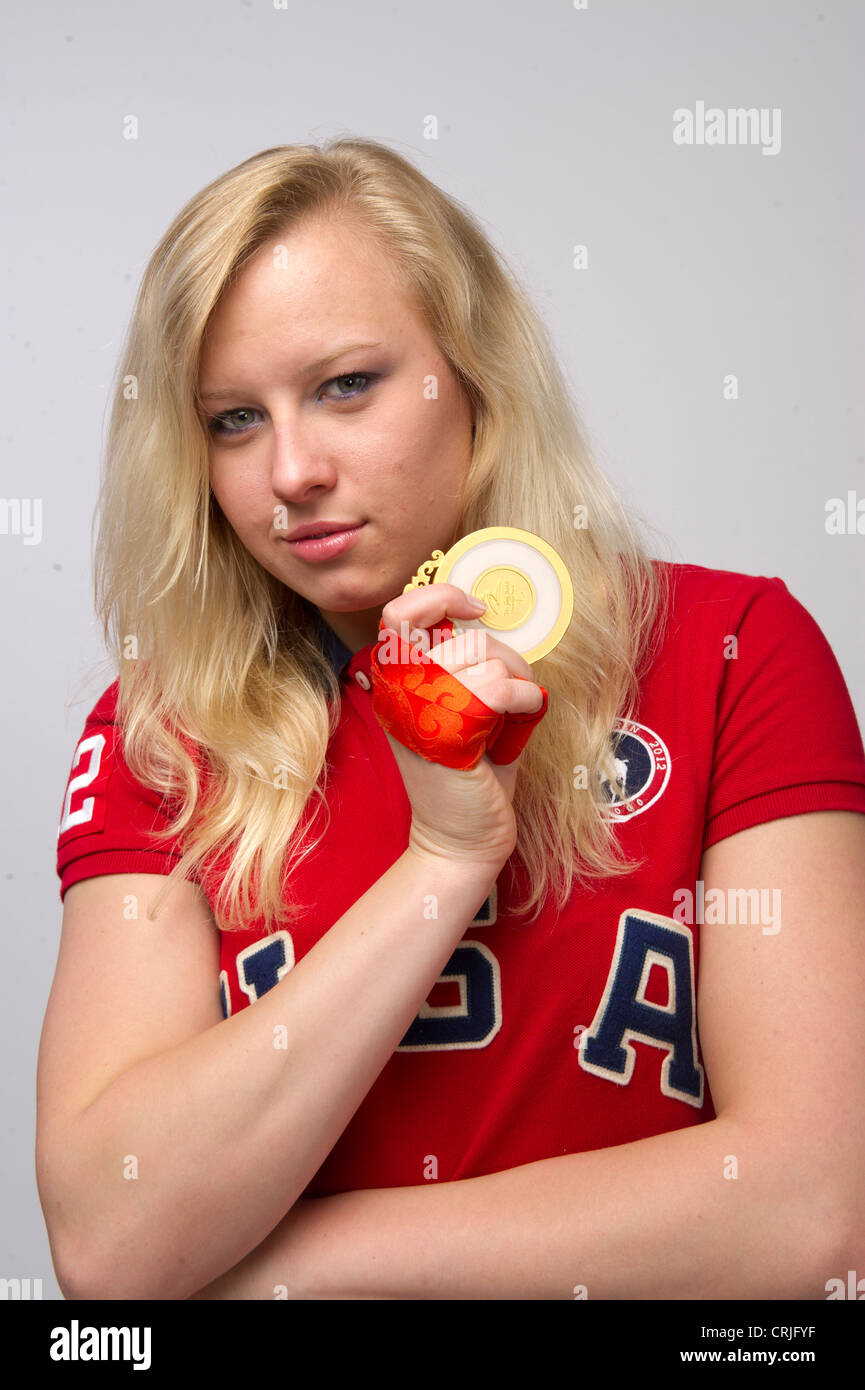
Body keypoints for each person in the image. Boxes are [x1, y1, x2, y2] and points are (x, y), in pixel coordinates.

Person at [37, 138, 865, 1301]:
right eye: (231, 419)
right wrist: (445, 860)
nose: (291, 471)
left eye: (345, 386)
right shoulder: (164, 734)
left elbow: (813, 1208)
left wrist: (290, 1277)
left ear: (474, 374)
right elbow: (114, 1245)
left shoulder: (732, 651)